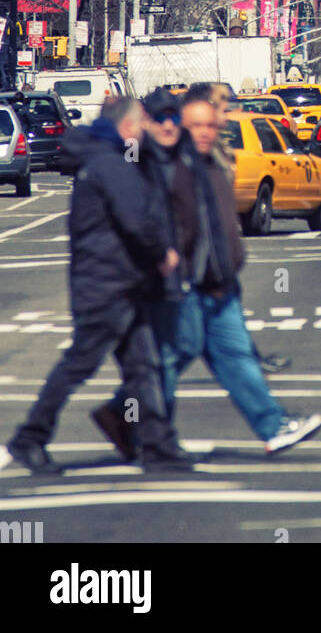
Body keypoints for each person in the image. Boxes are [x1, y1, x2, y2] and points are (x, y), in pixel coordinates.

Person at [3, 98, 192, 475]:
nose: (143, 131)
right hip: (106, 283)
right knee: (81, 362)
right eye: (139, 124)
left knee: (143, 367)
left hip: (118, 280)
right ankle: (30, 436)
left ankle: (157, 444)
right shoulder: (112, 162)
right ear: (126, 127)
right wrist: (161, 253)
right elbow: (136, 219)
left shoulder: (107, 157)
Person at [170, 92, 321, 453]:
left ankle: (272, 427)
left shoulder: (213, 164)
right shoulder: (171, 170)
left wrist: (230, 265)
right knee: (167, 361)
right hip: (188, 287)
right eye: (196, 126)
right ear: (180, 127)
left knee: (236, 358)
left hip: (219, 285)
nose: (205, 132)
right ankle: (128, 419)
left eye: (210, 124)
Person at [92, 89, 195, 460]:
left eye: (174, 118)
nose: (169, 124)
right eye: (160, 118)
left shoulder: (181, 155)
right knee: (156, 359)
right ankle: (153, 437)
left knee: (173, 351)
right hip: (144, 277)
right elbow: (135, 219)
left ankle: (126, 417)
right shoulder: (137, 158)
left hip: (179, 274)